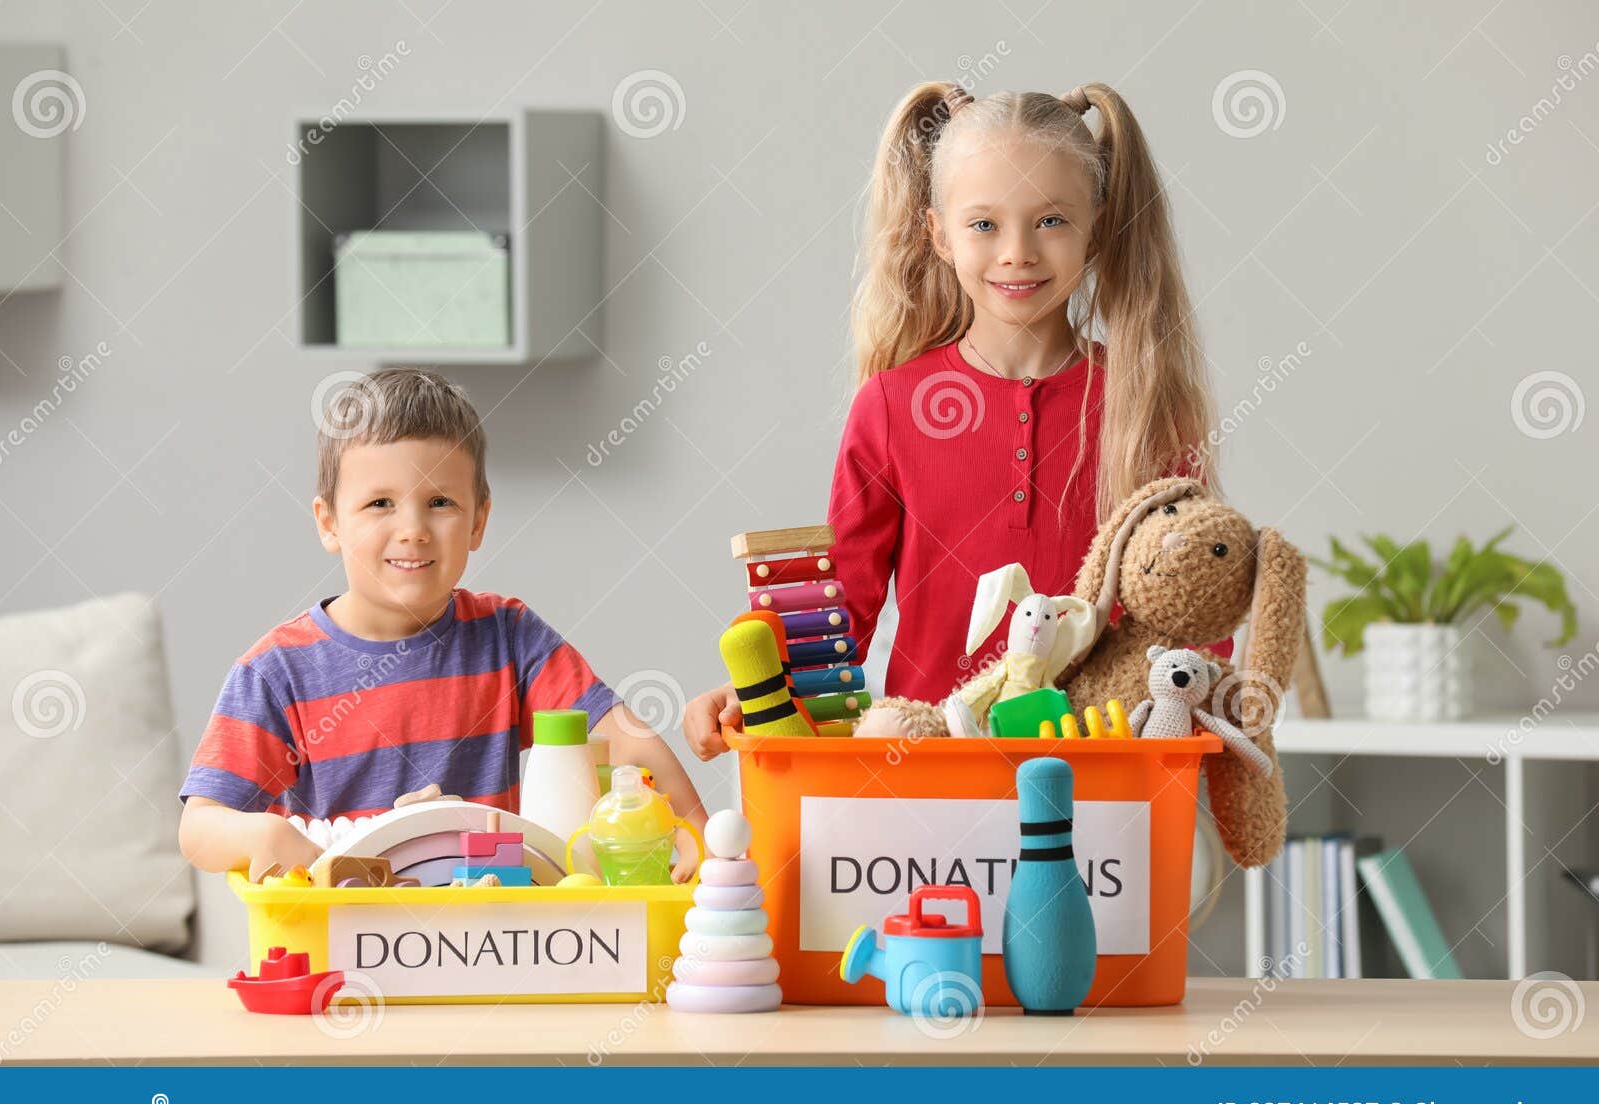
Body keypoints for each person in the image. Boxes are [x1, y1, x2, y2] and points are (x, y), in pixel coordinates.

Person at [686, 82, 1221, 759]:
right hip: (927, 767)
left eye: (1051, 220)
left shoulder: (1148, 402)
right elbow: (838, 611)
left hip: (1109, 768)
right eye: (984, 224)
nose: (1017, 252)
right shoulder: (889, 405)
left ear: (1099, 225)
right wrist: (753, 690)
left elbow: (1195, 597)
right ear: (938, 233)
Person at [177, 369, 705, 882]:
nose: (413, 530)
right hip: (347, 942)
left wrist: (697, 838)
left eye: (440, 503)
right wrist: (264, 837)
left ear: (478, 521)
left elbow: (625, 743)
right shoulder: (277, 672)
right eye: (380, 503)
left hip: (492, 941)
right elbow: (199, 828)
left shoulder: (508, 638)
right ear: (329, 522)